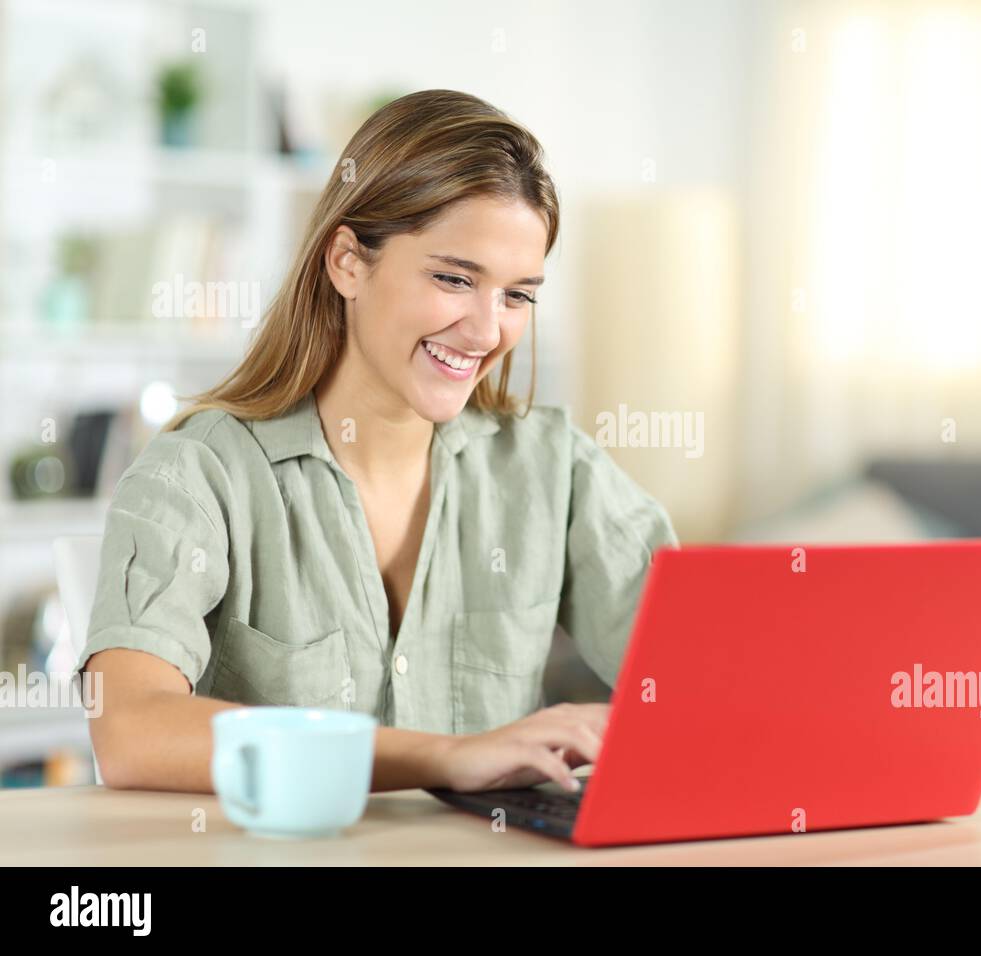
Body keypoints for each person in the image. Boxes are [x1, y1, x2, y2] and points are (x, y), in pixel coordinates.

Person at [77, 90, 678, 795]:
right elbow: (129, 732)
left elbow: (701, 673)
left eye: (517, 295)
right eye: (454, 279)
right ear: (347, 263)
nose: (487, 332)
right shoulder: (204, 472)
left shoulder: (551, 468)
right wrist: (440, 758)